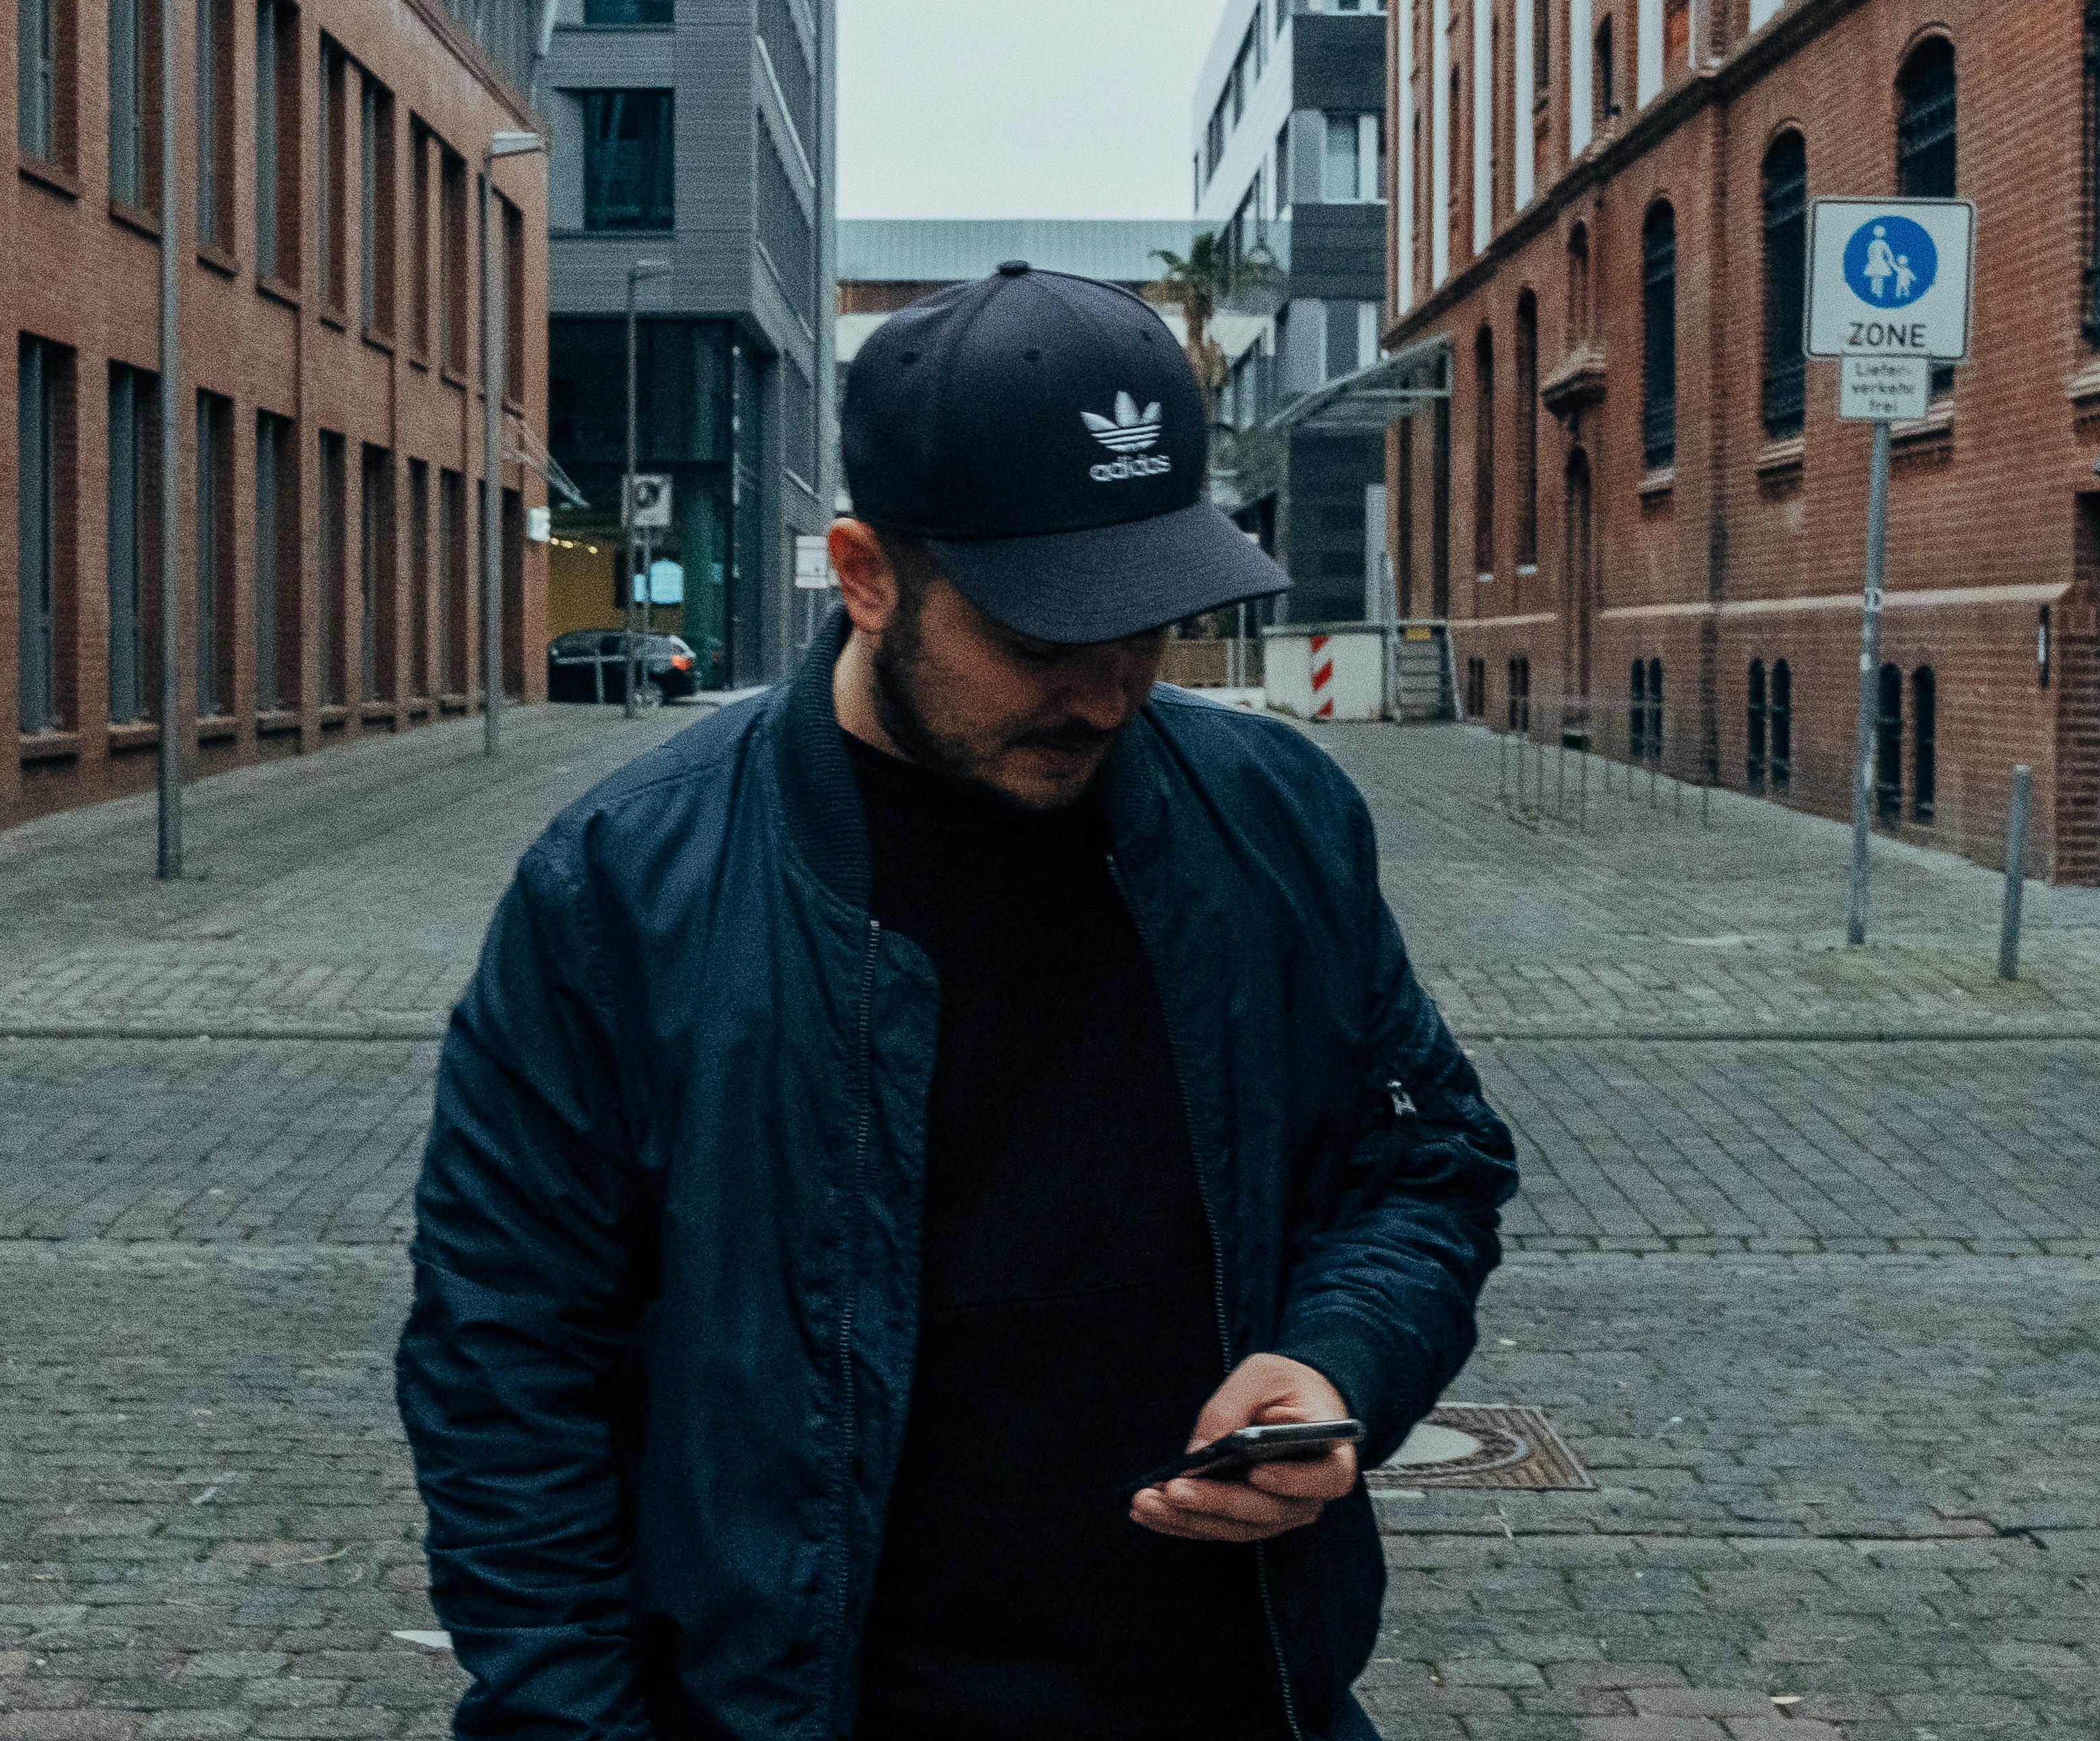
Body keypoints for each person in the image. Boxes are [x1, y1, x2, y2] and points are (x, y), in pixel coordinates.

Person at [399, 262, 1519, 1739]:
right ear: (867, 572)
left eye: (1151, 622)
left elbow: (1424, 1162)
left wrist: (1341, 1356)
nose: (1113, 687)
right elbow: (505, 1364)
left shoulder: (1280, 819)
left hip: (1240, 1694)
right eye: (1047, 636)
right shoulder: (622, 891)